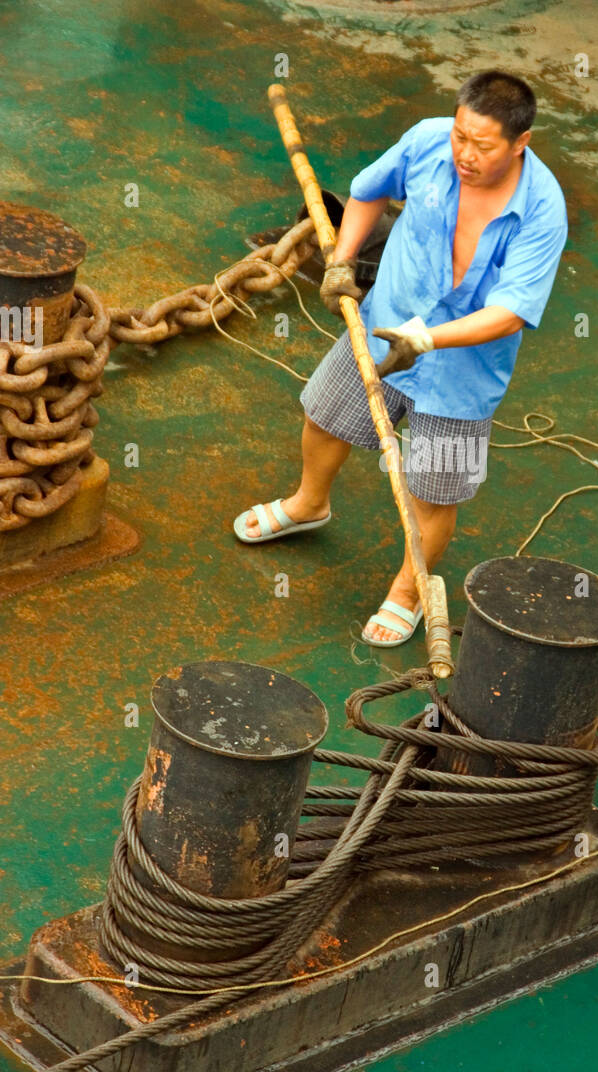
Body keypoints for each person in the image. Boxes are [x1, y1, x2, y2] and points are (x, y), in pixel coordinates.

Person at [234, 70, 568, 646]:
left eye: (482, 145)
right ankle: (309, 503)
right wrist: (342, 257)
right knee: (324, 416)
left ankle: (409, 590)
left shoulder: (542, 210)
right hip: (386, 319)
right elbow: (368, 191)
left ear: (521, 142)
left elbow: (512, 312)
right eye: (461, 135)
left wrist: (431, 341)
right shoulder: (427, 141)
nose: (464, 153)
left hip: (464, 367)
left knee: (434, 488)